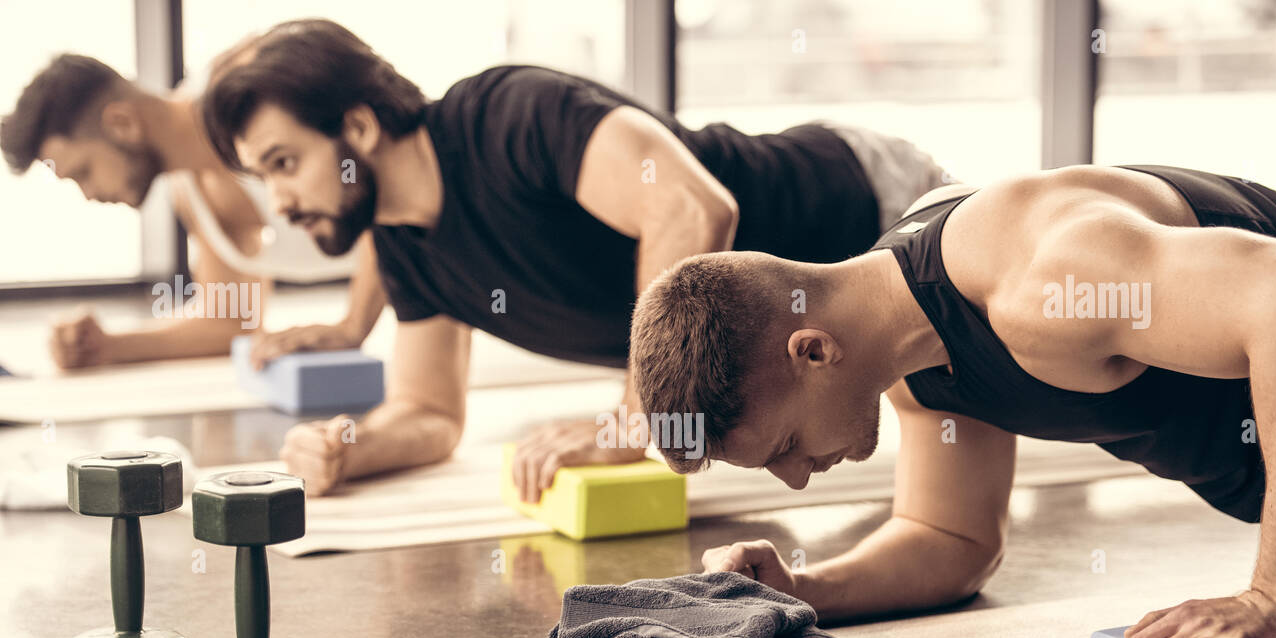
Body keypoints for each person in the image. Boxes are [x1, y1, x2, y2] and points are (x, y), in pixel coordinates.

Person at [629, 163, 1276, 638]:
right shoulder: (911, 355)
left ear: (811, 351)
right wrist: (802, 590)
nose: (798, 479)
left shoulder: (1040, 282)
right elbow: (950, 540)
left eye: (784, 447)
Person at [199, 18, 951, 500]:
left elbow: (691, 207)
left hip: (871, 205)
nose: (279, 199)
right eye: (261, 178)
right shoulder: (403, 245)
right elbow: (430, 413)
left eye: (283, 163)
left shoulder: (506, 115)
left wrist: (634, 419)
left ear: (357, 129)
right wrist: (346, 447)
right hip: (814, 336)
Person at [0, 53, 386, 370]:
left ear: (122, 123)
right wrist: (106, 346)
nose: (88, 194)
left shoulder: (247, 81)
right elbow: (231, 322)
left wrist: (354, 324)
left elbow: (385, 176)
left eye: (83, 173)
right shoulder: (188, 193)